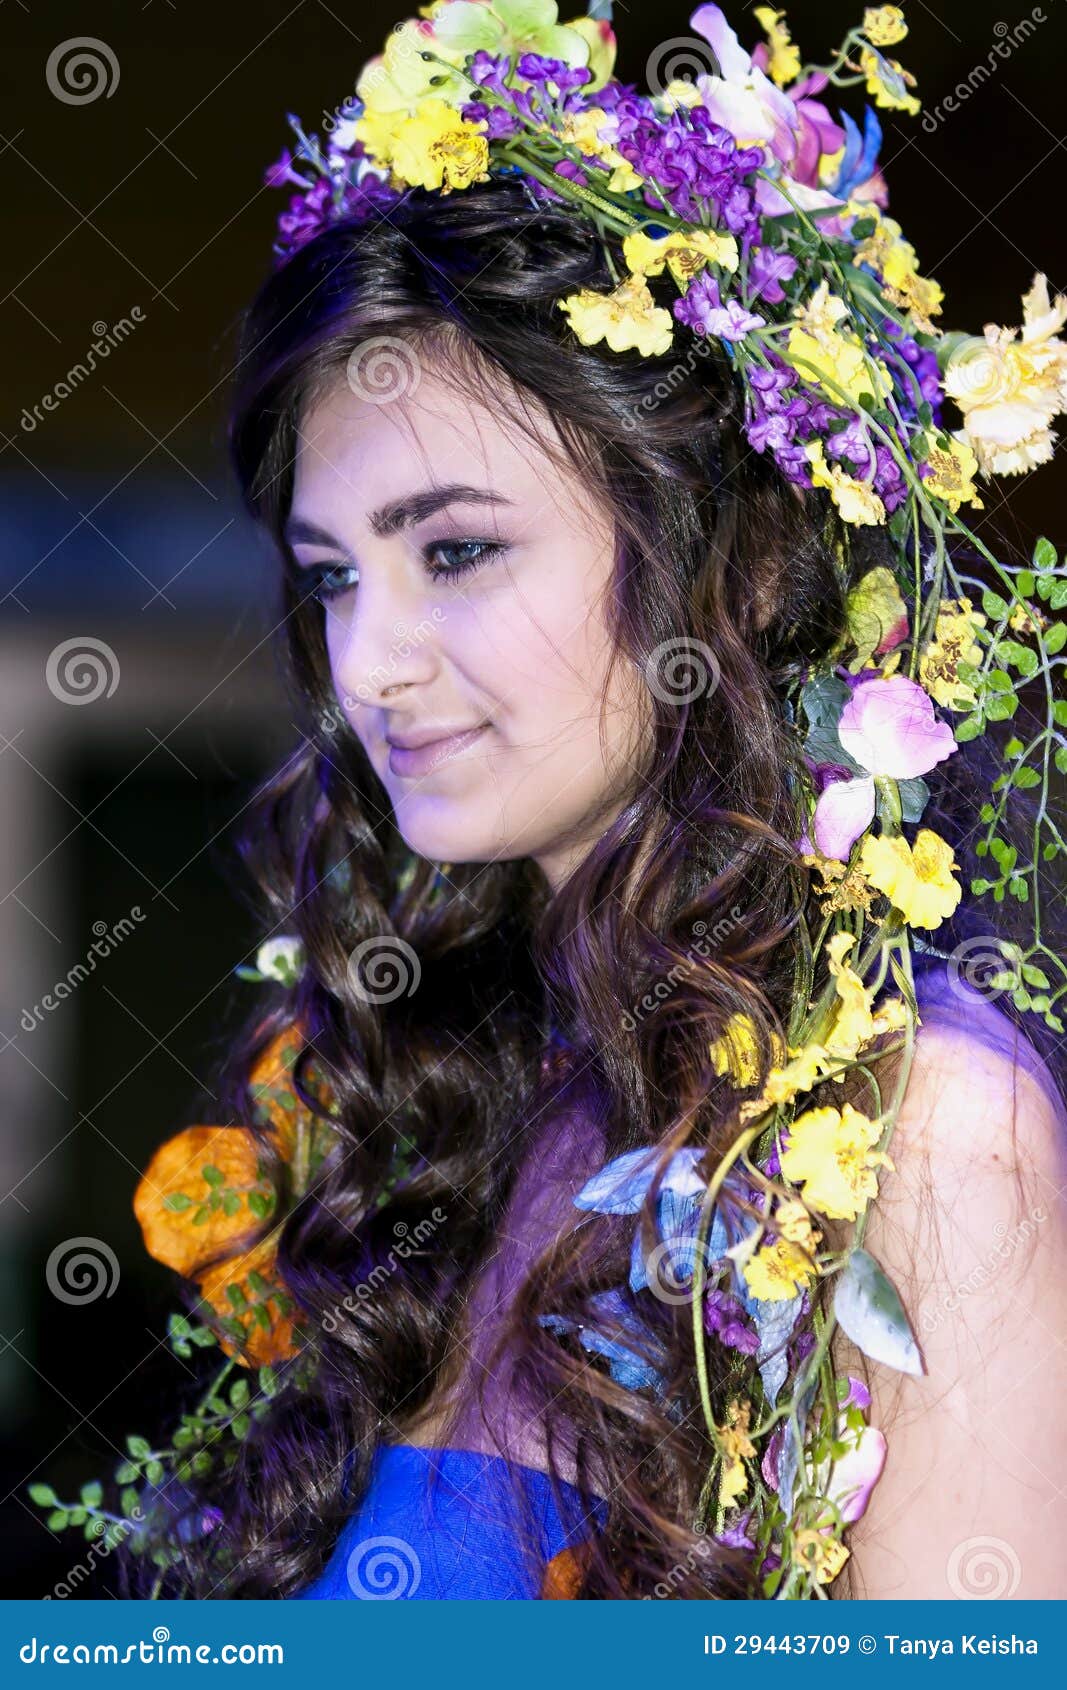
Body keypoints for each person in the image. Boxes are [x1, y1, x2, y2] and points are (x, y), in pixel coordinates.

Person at [52, 1, 1067, 1599]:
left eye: (454, 549)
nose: (369, 662)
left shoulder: (925, 1136)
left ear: (706, 552)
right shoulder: (406, 1084)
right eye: (332, 576)